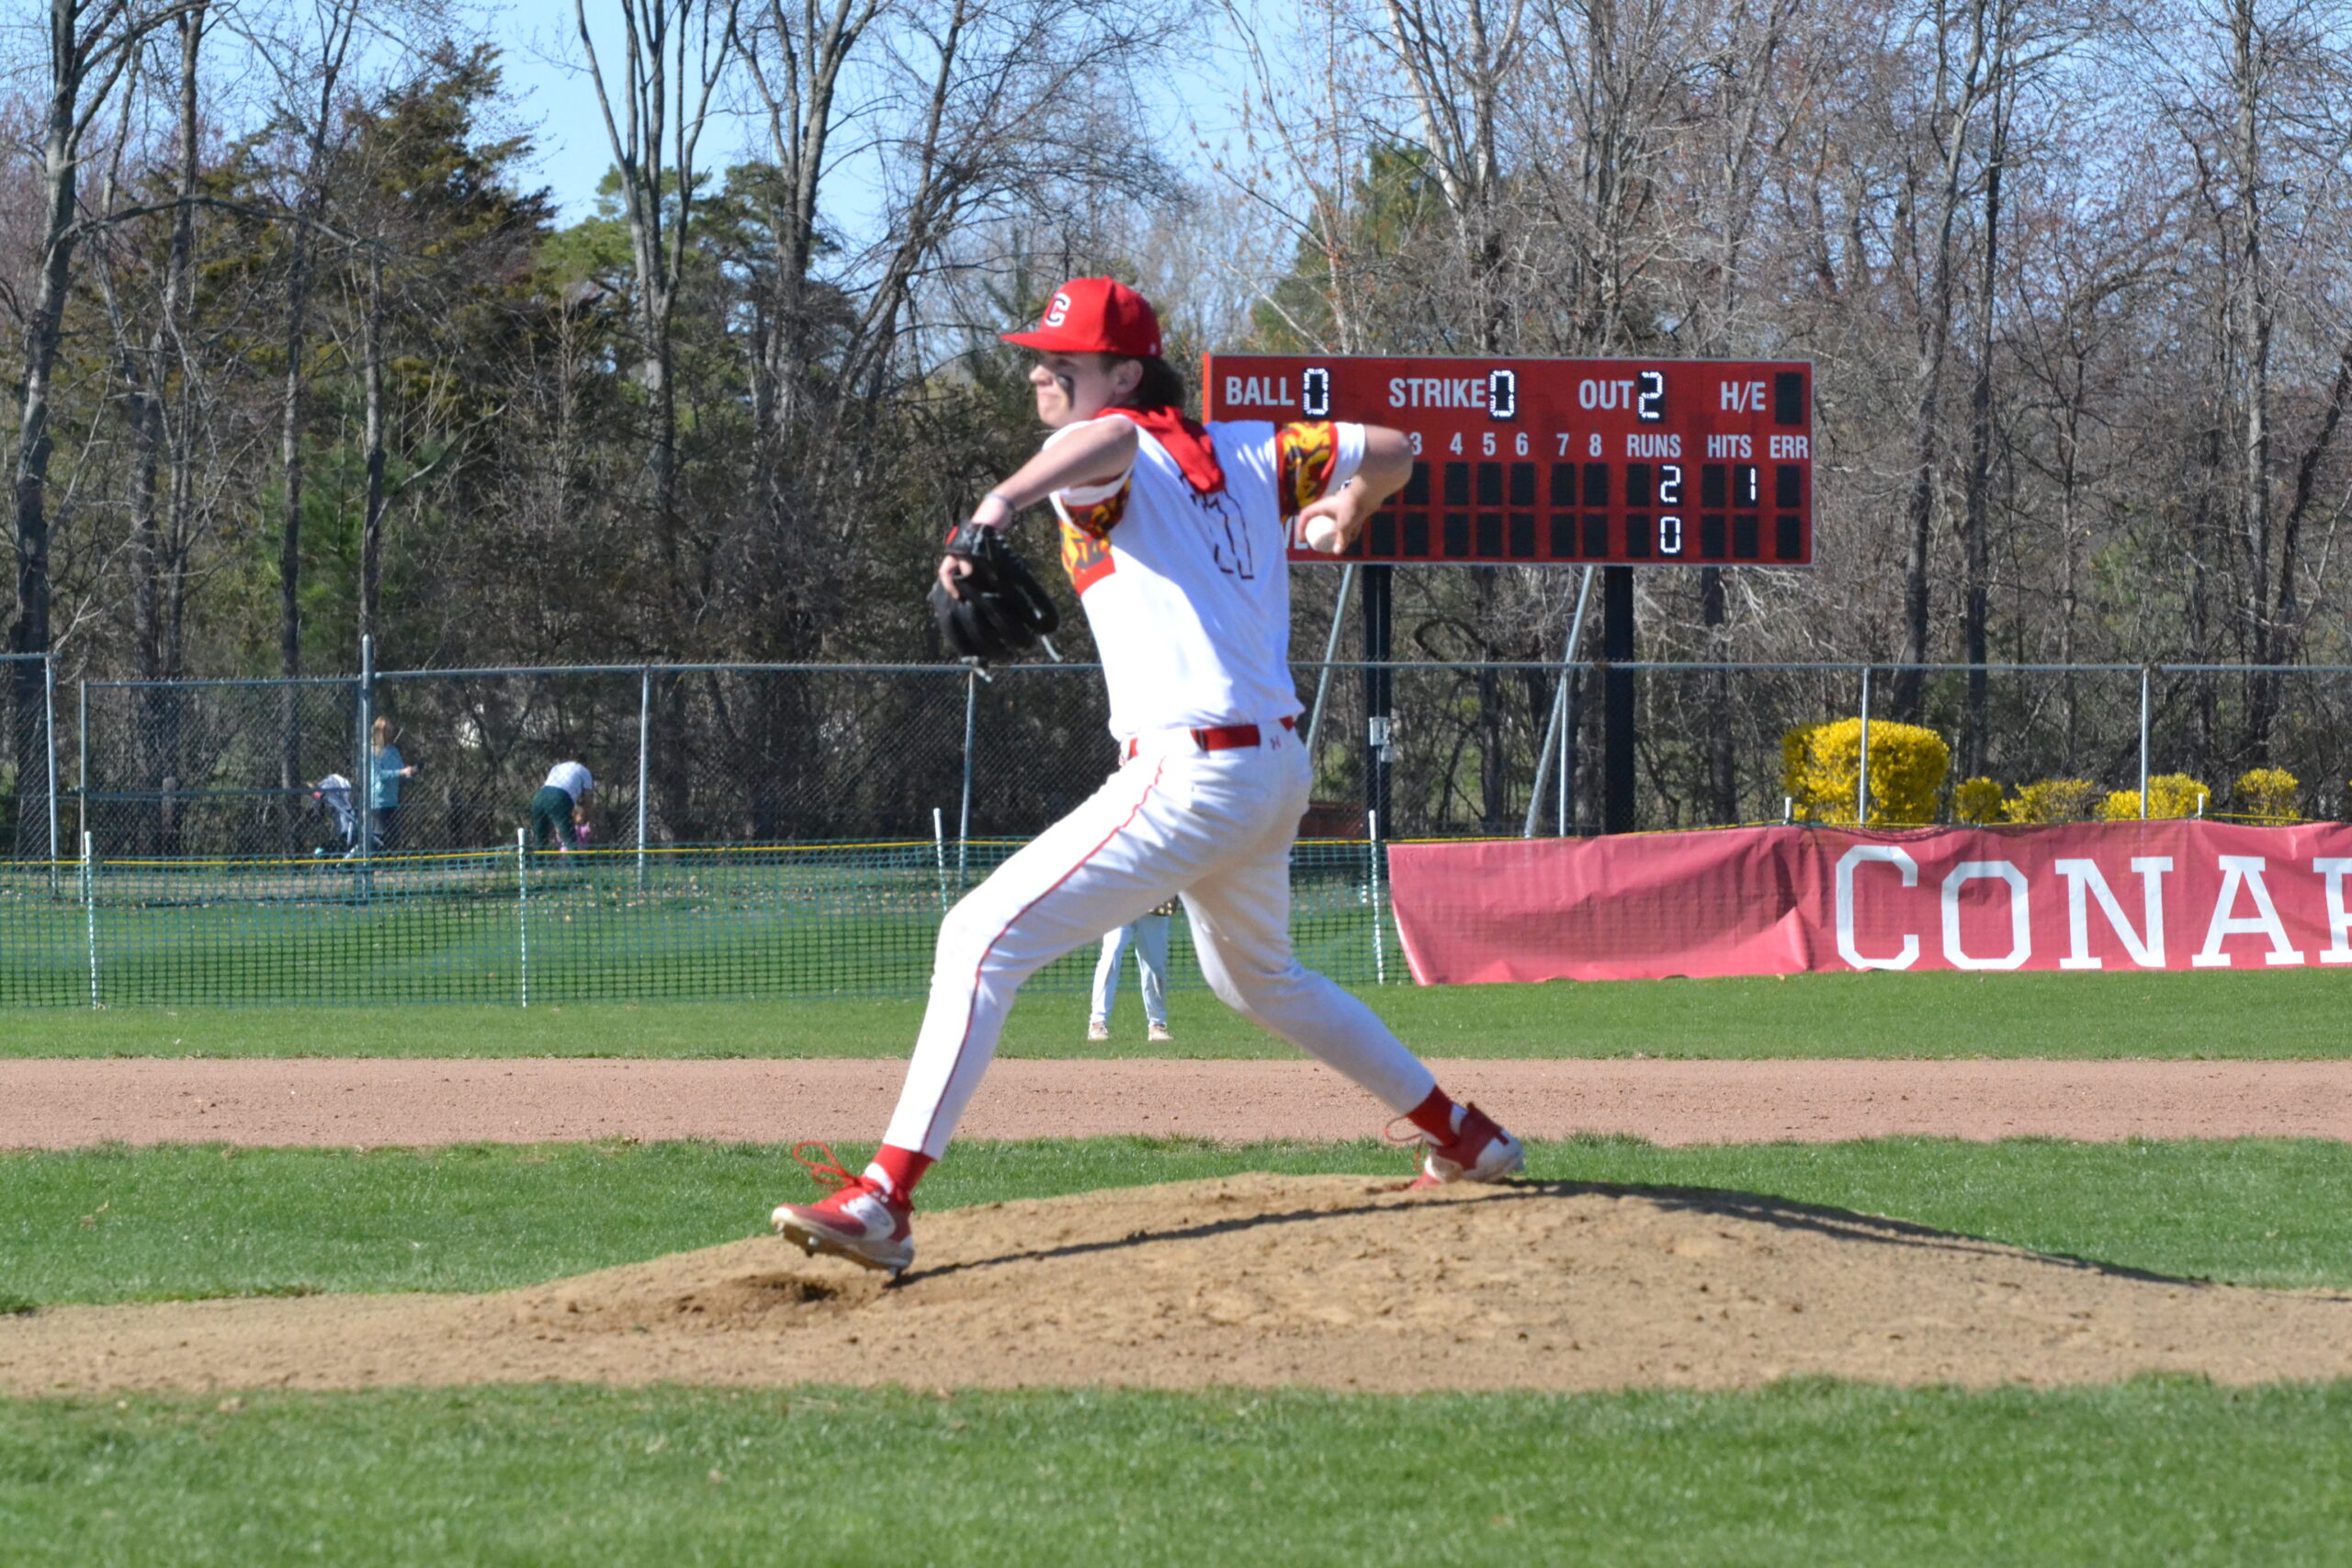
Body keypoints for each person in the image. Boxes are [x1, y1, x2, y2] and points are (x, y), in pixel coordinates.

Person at [773, 277, 1522, 1275]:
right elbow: (1393, 448)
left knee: (975, 938)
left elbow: (1106, 444)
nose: (1041, 373)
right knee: (1257, 979)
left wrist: (994, 506)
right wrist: (1349, 502)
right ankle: (1462, 1134)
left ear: (1123, 374)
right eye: (1038, 358)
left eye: (1064, 363)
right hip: (1270, 768)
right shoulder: (1254, 447)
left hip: (1192, 772)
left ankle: (884, 1200)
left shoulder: (1109, 452)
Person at [1089, 897, 1176, 1042]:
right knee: (1111, 956)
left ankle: (1157, 1025)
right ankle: (1097, 1023)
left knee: (1155, 965)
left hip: (1154, 906)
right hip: (1120, 905)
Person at [368, 717, 415, 852]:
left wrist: (411, 772)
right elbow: (380, 775)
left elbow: (400, 770)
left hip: (392, 800)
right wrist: (401, 772)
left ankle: (387, 868)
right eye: (387, 731)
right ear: (380, 731)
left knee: (394, 838)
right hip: (378, 802)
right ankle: (376, 867)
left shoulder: (393, 751)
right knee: (379, 837)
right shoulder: (371, 751)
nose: (391, 734)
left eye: (391, 731)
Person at [530, 761, 593, 852]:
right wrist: (590, 819)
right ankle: (577, 864)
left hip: (539, 796)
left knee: (540, 839)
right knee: (570, 838)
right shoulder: (585, 771)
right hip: (560, 797)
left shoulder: (557, 767)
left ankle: (538, 864)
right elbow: (588, 799)